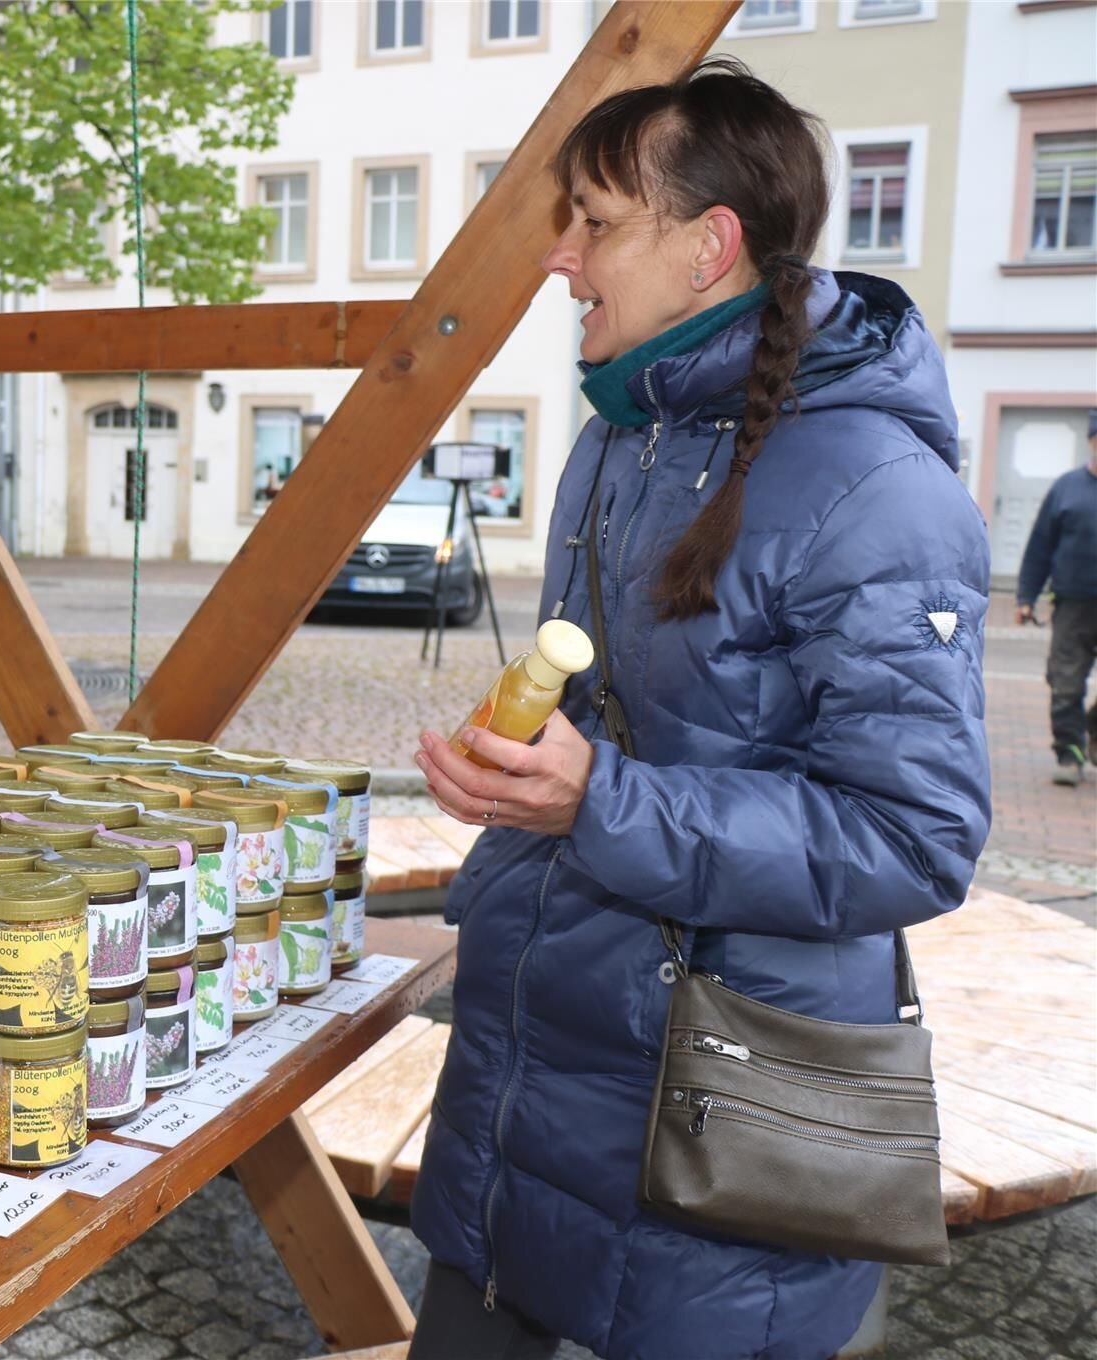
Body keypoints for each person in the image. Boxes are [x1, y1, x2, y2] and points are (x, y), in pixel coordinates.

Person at [407, 59, 989, 1360]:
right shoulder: (624, 432)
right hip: (526, 1084)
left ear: (708, 245)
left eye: (597, 223)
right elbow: (617, 723)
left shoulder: (876, 487)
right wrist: (523, 777)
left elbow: (913, 838)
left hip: (717, 1140)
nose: (562, 259)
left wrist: (596, 799)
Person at [1013, 411, 1097, 785]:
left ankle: (1092, 727)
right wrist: (1026, 596)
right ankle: (1069, 752)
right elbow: (1040, 546)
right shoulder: (1067, 488)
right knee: (1065, 681)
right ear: (1091, 442)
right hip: (1073, 604)